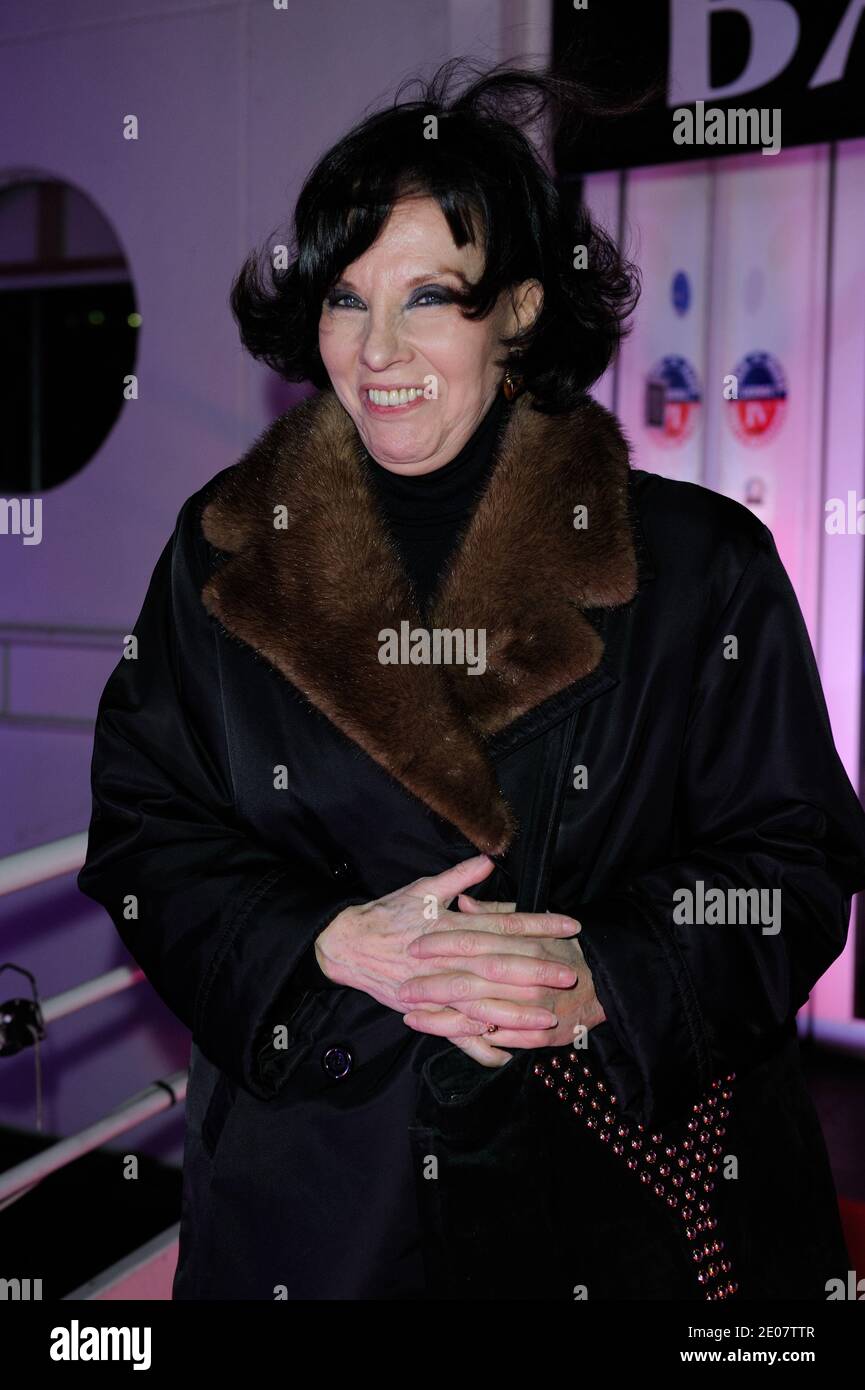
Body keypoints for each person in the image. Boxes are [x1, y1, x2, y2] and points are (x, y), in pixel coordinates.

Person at [78, 59, 865, 1301]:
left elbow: (795, 858)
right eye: (345, 298)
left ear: (522, 311)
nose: (376, 349)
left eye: (430, 295)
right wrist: (322, 940)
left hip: (608, 1203)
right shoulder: (226, 550)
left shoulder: (699, 563)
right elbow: (143, 832)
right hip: (323, 1197)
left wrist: (605, 973)